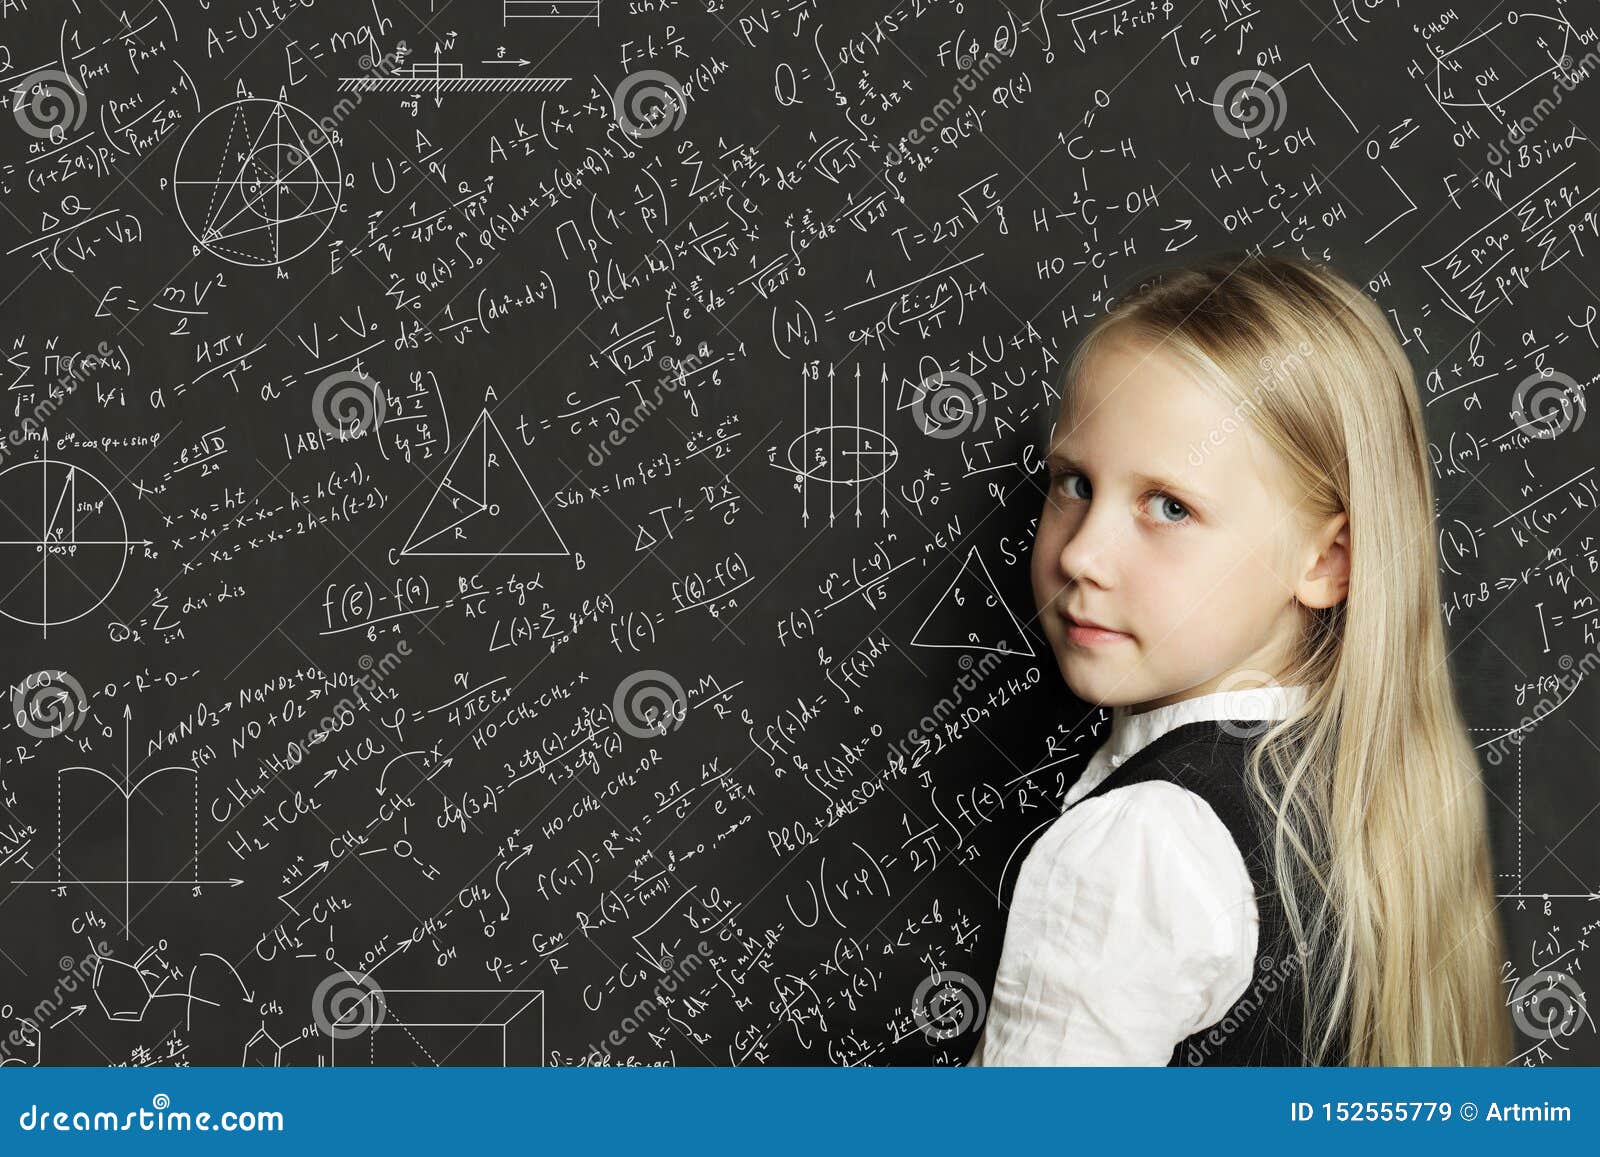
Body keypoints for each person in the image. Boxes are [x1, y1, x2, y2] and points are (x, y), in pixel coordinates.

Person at [968, 252, 1511, 1066]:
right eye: (1074, 482)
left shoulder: (1144, 847)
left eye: (1169, 506)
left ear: (1328, 562)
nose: (1083, 555)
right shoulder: (1375, 795)